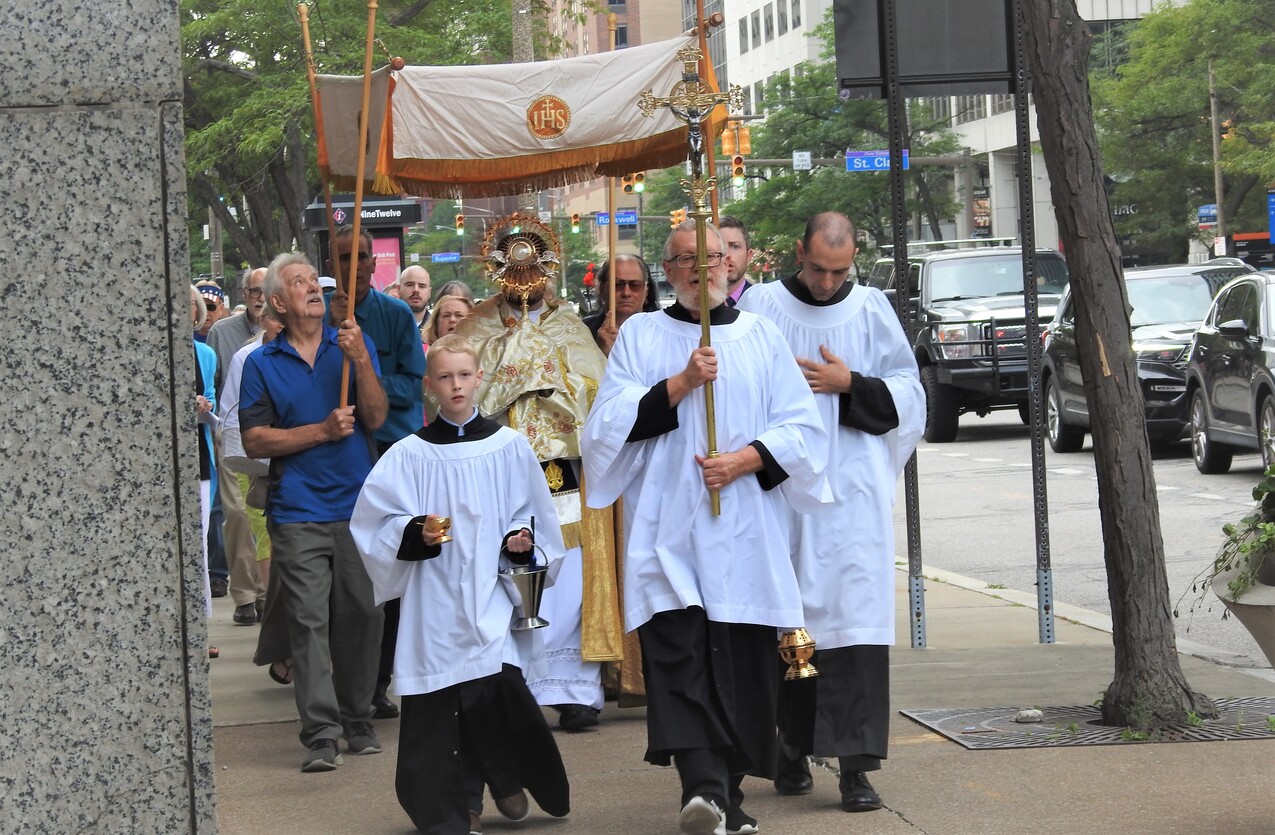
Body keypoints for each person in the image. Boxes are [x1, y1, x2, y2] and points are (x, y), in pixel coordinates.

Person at [581, 220, 831, 835]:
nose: (702, 268)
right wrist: (683, 382)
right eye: (687, 258)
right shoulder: (641, 335)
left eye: (713, 257)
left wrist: (747, 458)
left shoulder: (763, 338)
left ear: (731, 266)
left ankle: (725, 798)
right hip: (668, 535)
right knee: (679, 662)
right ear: (669, 271)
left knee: (742, 671)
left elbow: (803, 430)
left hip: (744, 535)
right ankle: (704, 789)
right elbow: (606, 428)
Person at [739, 211, 925, 814]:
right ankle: (787, 752)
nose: (825, 283)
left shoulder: (870, 308)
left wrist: (851, 383)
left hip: (850, 498)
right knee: (783, 624)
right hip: (780, 493)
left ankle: (855, 769)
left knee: (853, 627)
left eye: (838, 271)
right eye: (817, 268)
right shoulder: (762, 307)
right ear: (799, 251)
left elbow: (910, 392)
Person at [351, 334, 571, 835]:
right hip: (434, 598)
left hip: (492, 594)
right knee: (442, 704)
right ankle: (462, 805)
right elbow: (373, 521)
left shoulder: (509, 447)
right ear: (430, 386)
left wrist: (520, 536)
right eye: (445, 377)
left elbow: (534, 512)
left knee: (492, 689)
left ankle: (507, 779)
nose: (456, 385)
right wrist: (415, 532)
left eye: (464, 375)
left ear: (478, 379)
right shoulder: (408, 455)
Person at [453, 214, 621, 731]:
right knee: (507, 569)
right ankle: (514, 683)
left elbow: (599, 395)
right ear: (497, 267)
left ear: (548, 268)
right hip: (501, 469)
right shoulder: (475, 329)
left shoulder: (572, 327)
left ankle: (572, 689)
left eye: (534, 266)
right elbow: (455, 390)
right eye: (513, 266)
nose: (525, 278)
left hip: (562, 467)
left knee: (567, 571)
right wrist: (513, 365)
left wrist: (549, 375)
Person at [239, 252, 389, 773]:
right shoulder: (261, 363)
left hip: (357, 506)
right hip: (298, 509)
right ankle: (321, 733)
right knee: (308, 622)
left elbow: (374, 416)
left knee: (363, 616)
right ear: (278, 302)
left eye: (314, 280)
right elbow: (255, 438)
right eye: (299, 283)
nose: (313, 288)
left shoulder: (351, 345)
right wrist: (320, 432)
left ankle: (358, 718)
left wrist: (362, 362)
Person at [327, 224, 427, 720]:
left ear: (373, 262)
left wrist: (366, 375)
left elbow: (413, 385)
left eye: (362, 256)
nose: (354, 266)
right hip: (338, 458)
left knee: (390, 571)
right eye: (343, 256)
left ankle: (380, 680)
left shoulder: (394, 317)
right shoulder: (319, 319)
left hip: (390, 456)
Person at [207, 267, 269, 626]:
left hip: (270, 437)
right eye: (254, 291)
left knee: (263, 516)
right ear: (245, 295)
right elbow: (216, 387)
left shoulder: (284, 331)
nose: (260, 297)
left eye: (265, 291)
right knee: (237, 514)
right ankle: (245, 595)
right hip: (231, 433)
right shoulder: (223, 332)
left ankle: (265, 593)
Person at [580, 254, 659, 356]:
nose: (626, 293)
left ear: (646, 291)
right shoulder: (582, 332)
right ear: (602, 289)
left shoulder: (664, 332)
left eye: (634, 285)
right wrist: (600, 354)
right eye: (617, 285)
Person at [718, 216, 754, 306]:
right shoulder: (694, 307)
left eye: (735, 246)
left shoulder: (763, 304)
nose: (727, 255)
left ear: (749, 256)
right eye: (720, 247)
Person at [398, 265, 433, 336]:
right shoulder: (386, 326)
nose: (416, 290)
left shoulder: (438, 329)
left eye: (422, 286)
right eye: (410, 285)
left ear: (429, 292)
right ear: (399, 289)